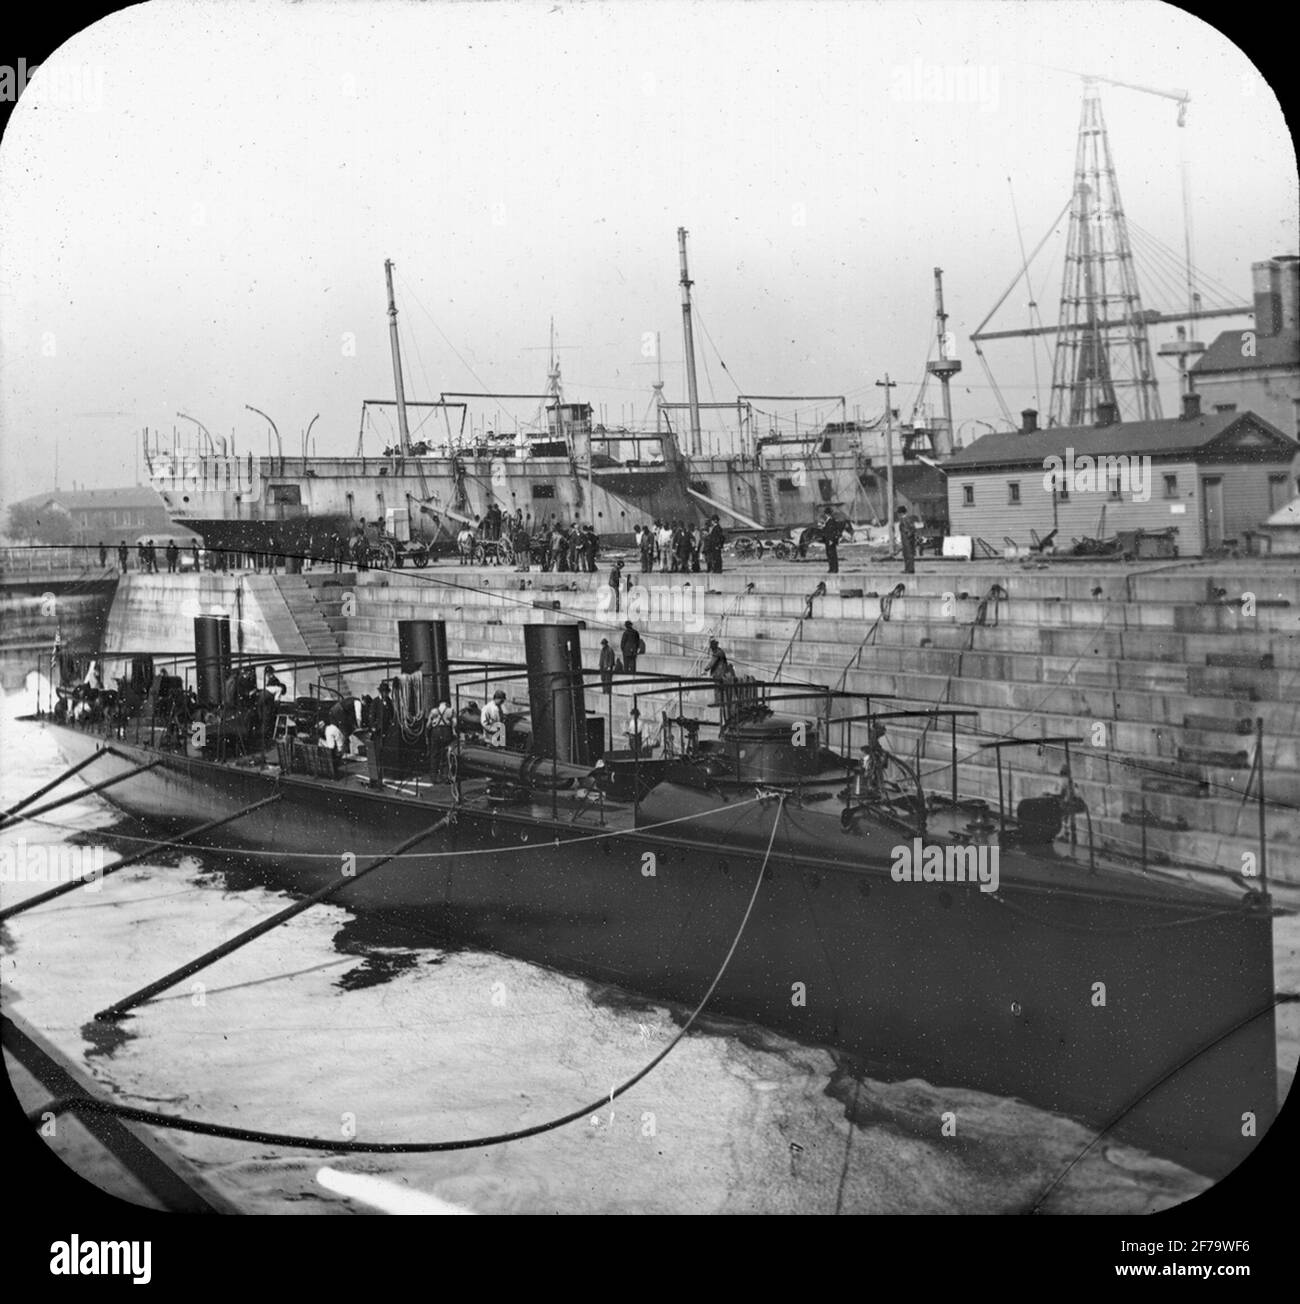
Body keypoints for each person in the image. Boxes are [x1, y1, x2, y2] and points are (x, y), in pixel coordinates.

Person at [428, 701, 455, 780]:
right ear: (447, 704)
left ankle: (433, 777)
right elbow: (455, 723)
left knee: (434, 755)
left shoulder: (434, 711)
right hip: (446, 732)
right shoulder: (451, 711)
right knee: (446, 755)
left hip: (436, 732)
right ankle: (445, 776)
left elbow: (428, 724)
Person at [897, 504, 917, 575]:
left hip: (908, 540)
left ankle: (910, 569)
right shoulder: (904, 519)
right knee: (906, 555)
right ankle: (907, 569)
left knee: (909, 554)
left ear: (901, 513)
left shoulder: (907, 519)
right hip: (905, 540)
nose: (898, 515)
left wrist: (908, 535)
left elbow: (912, 529)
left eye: (899, 513)